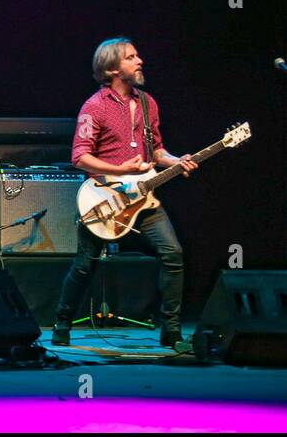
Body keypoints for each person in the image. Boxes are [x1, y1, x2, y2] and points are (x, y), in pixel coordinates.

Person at [52, 38, 197, 348]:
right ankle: (61, 323)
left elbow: (156, 151)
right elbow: (79, 156)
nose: (140, 60)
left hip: (144, 199)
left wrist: (177, 161)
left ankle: (171, 331)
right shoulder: (95, 106)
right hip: (105, 197)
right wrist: (121, 171)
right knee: (84, 264)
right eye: (131, 57)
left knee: (173, 254)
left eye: (138, 55)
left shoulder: (148, 103)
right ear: (113, 68)